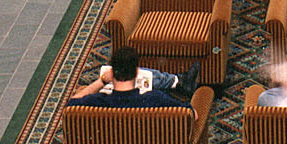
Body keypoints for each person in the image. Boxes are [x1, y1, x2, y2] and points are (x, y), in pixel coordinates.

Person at [70, 45, 198, 107]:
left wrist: (101, 81)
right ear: (137, 73)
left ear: (112, 73)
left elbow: (72, 104)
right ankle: (178, 82)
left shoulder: (99, 101)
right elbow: (192, 114)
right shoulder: (154, 98)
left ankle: (177, 82)